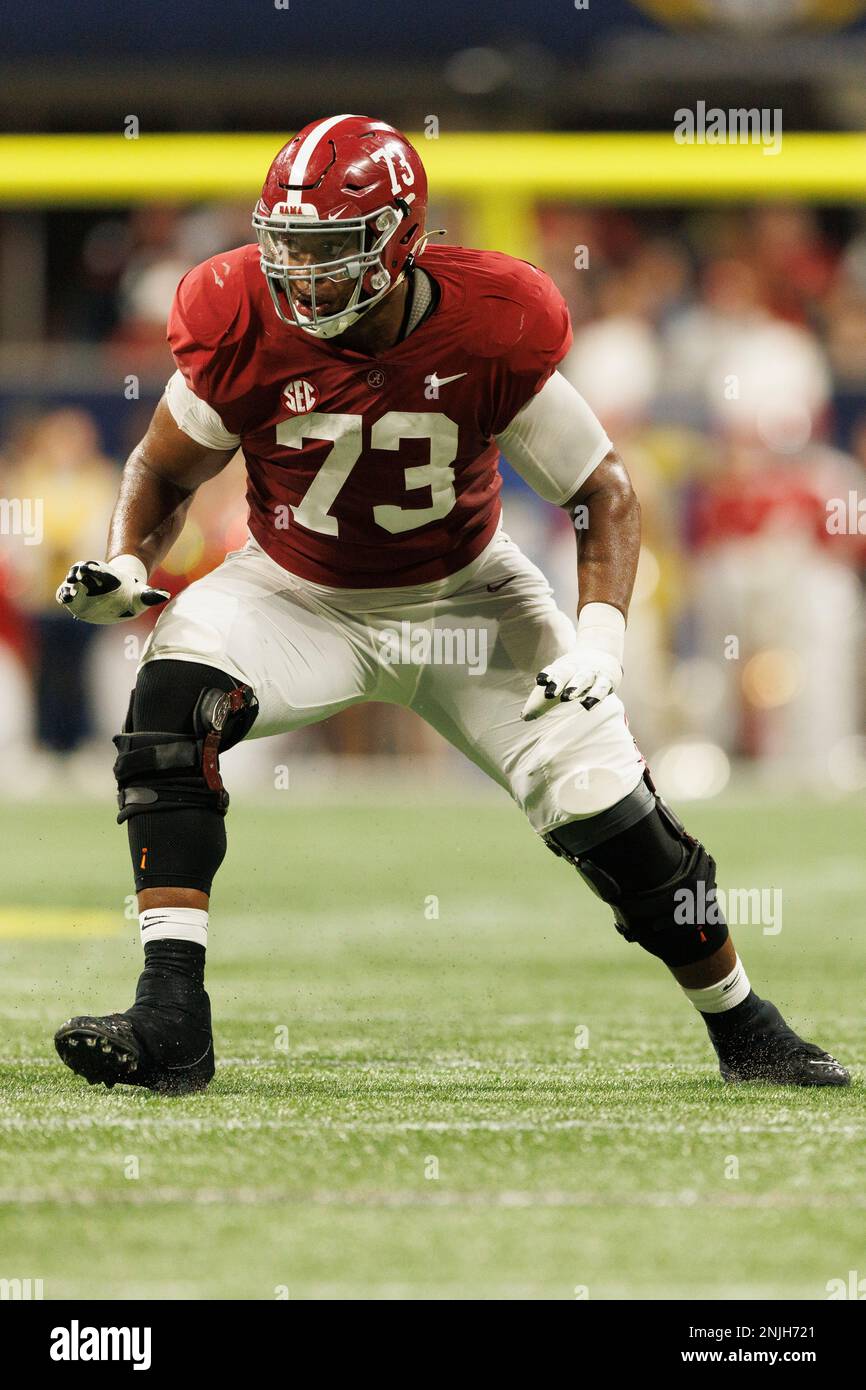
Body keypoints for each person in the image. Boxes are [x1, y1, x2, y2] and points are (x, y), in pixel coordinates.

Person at [54, 115, 848, 1093]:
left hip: (464, 598)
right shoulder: (238, 313)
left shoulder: (490, 319)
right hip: (296, 591)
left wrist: (598, 638)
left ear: (397, 241)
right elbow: (164, 470)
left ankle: (746, 1027)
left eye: (327, 252)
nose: (299, 277)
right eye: (285, 248)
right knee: (167, 705)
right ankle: (170, 1017)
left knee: (615, 820)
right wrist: (126, 564)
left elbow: (598, 489)